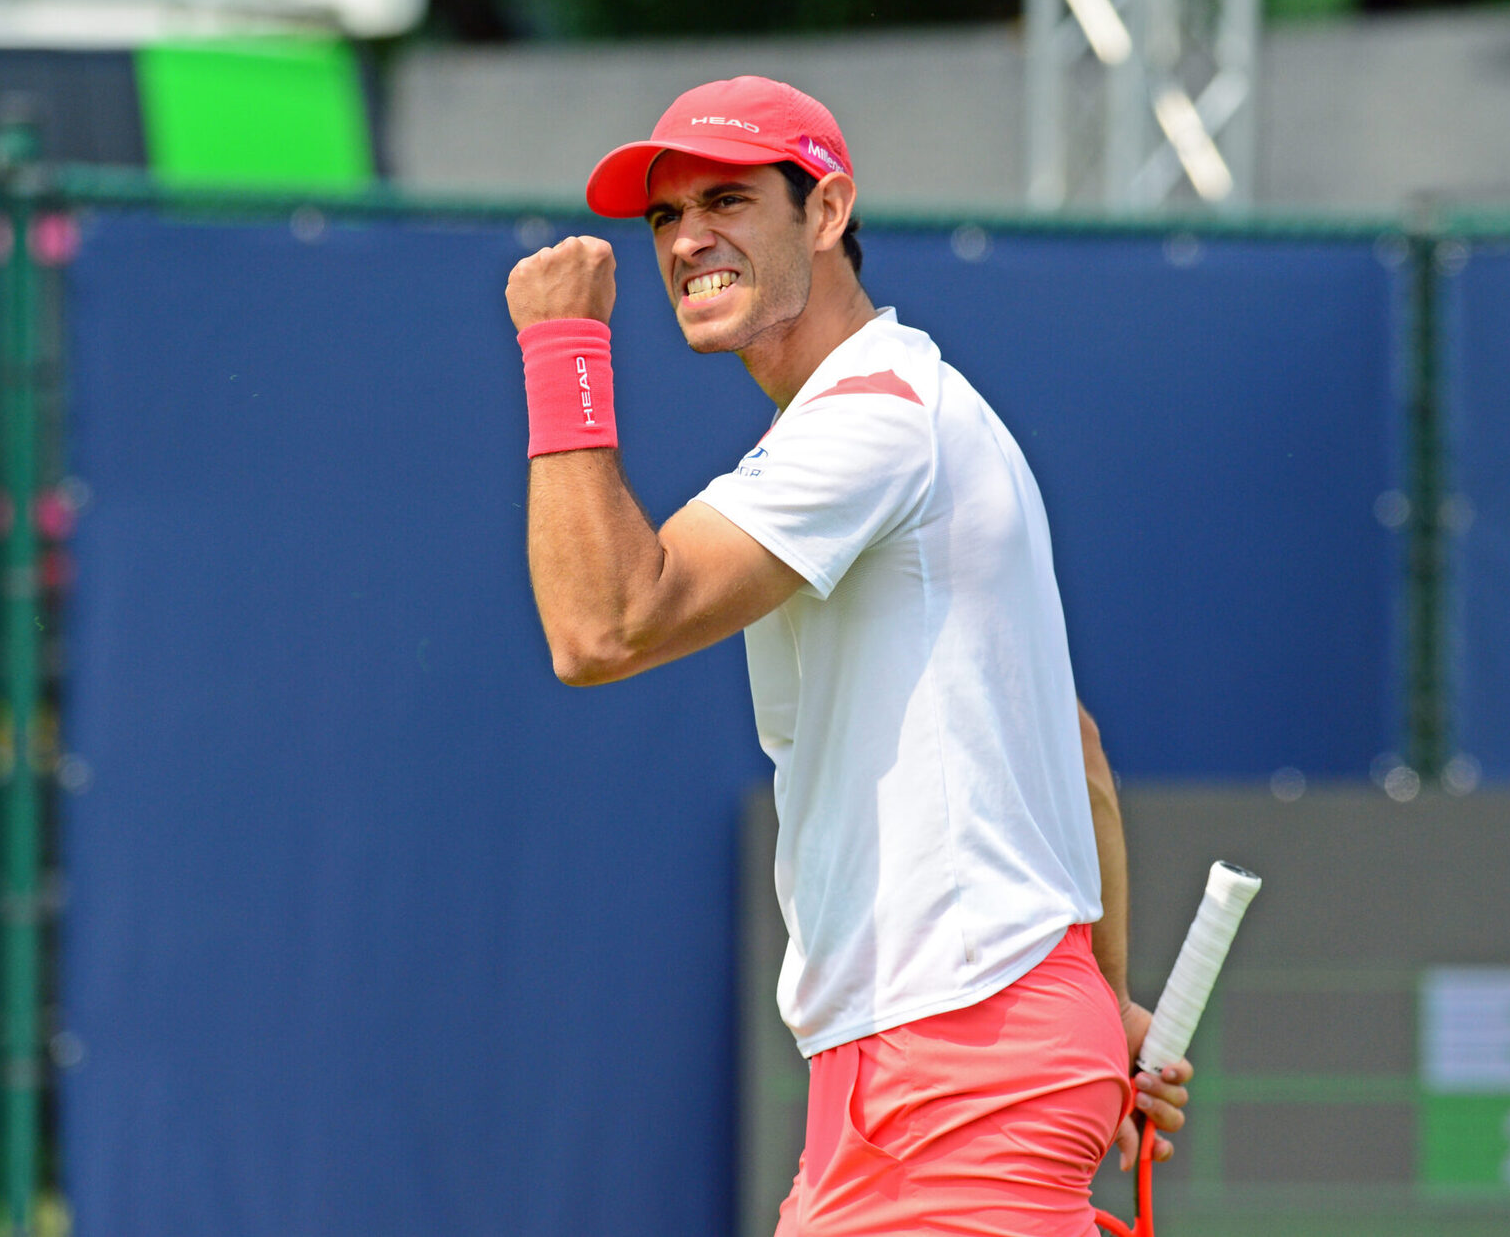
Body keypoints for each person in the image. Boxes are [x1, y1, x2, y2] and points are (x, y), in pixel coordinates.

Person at [504, 75, 1190, 1236]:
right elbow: (1073, 749)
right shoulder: (890, 412)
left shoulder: (875, 418)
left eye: (728, 200)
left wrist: (561, 346)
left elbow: (604, 624)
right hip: (932, 1068)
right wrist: (1099, 1000)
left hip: (961, 1069)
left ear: (826, 211)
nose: (687, 239)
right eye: (667, 215)